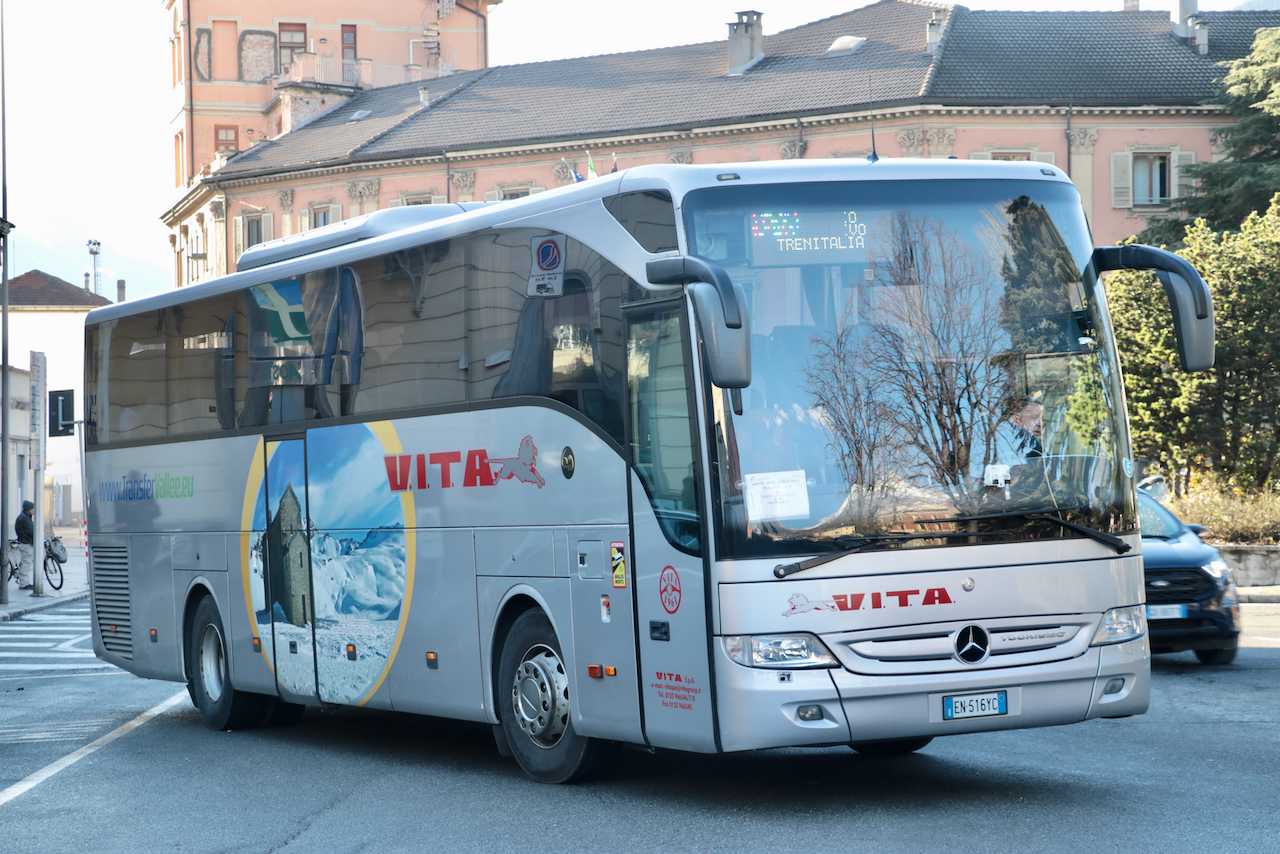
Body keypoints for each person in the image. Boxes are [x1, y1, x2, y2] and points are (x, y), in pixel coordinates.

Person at [13, 499, 35, 590]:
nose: (33, 510)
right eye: (32, 508)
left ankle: (23, 579)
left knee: (25, 562)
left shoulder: (25, 516)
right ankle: (24, 584)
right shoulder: (24, 518)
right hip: (26, 543)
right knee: (26, 562)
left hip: (25, 541)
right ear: (28, 509)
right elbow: (31, 531)